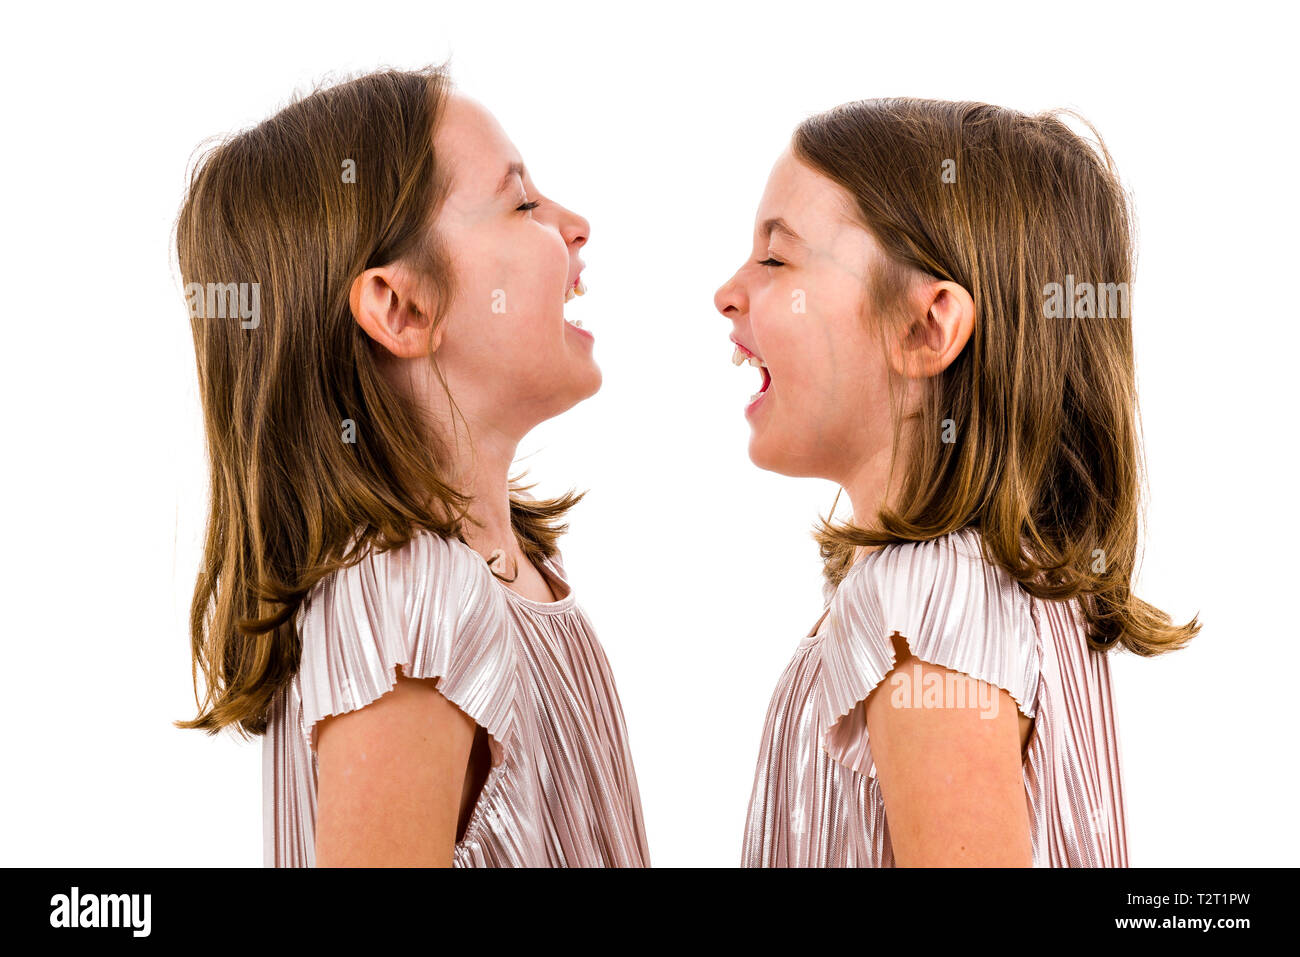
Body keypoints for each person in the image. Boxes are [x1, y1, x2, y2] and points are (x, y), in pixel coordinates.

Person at [175, 65, 649, 867]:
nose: (574, 225)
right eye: (523, 204)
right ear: (401, 308)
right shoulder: (411, 599)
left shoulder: (517, 573)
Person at [715, 97, 1200, 867]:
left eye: (776, 259)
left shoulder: (923, 607)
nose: (729, 292)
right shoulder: (997, 588)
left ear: (925, 328)